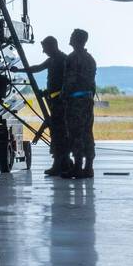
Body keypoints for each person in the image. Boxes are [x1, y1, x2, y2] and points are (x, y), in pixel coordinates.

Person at [28, 35, 68, 177]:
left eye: (45, 48)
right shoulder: (53, 60)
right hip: (55, 101)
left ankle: (60, 163)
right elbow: (37, 68)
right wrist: (20, 70)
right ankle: (63, 162)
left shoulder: (63, 60)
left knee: (58, 133)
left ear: (52, 46)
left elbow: (65, 82)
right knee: (57, 132)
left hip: (60, 103)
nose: (44, 51)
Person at [61, 28, 97, 180]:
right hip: (87, 100)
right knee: (87, 133)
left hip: (76, 101)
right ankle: (88, 167)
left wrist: (63, 95)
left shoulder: (72, 58)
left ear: (76, 40)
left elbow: (70, 80)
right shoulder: (90, 58)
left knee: (76, 133)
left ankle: (77, 167)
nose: (70, 38)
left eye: (72, 36)